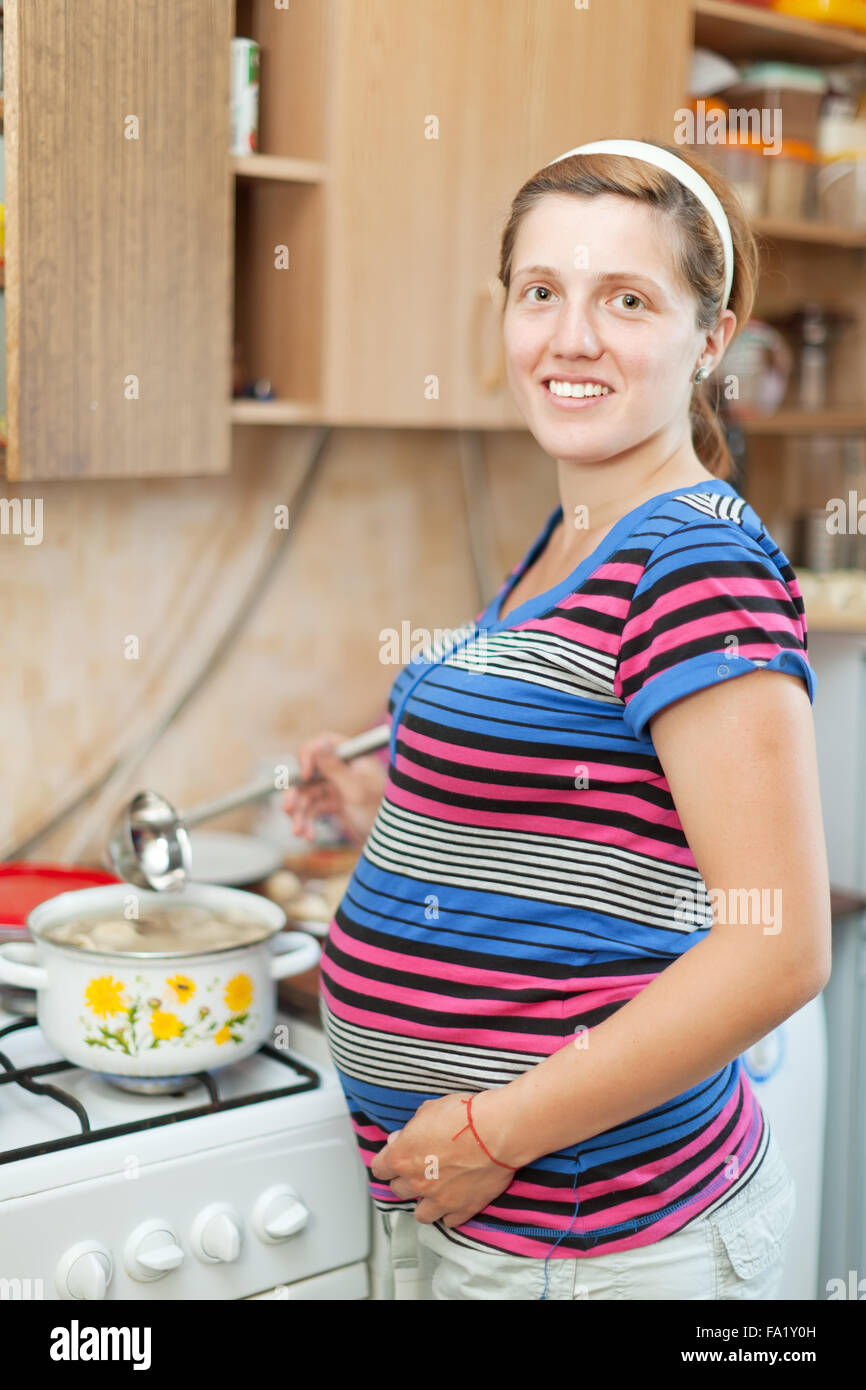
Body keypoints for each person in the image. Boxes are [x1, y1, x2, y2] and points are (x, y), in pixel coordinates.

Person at [283, 138, 831, 1301]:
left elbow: (776, 944)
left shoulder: (692, 560)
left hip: (602, 1249)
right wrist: (392, 805)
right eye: (541, 292)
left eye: (625, 300)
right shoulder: (576, 532)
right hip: (516, 1235)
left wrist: (491, 1131)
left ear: (710, 339)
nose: (569, 338)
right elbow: (583, 808)